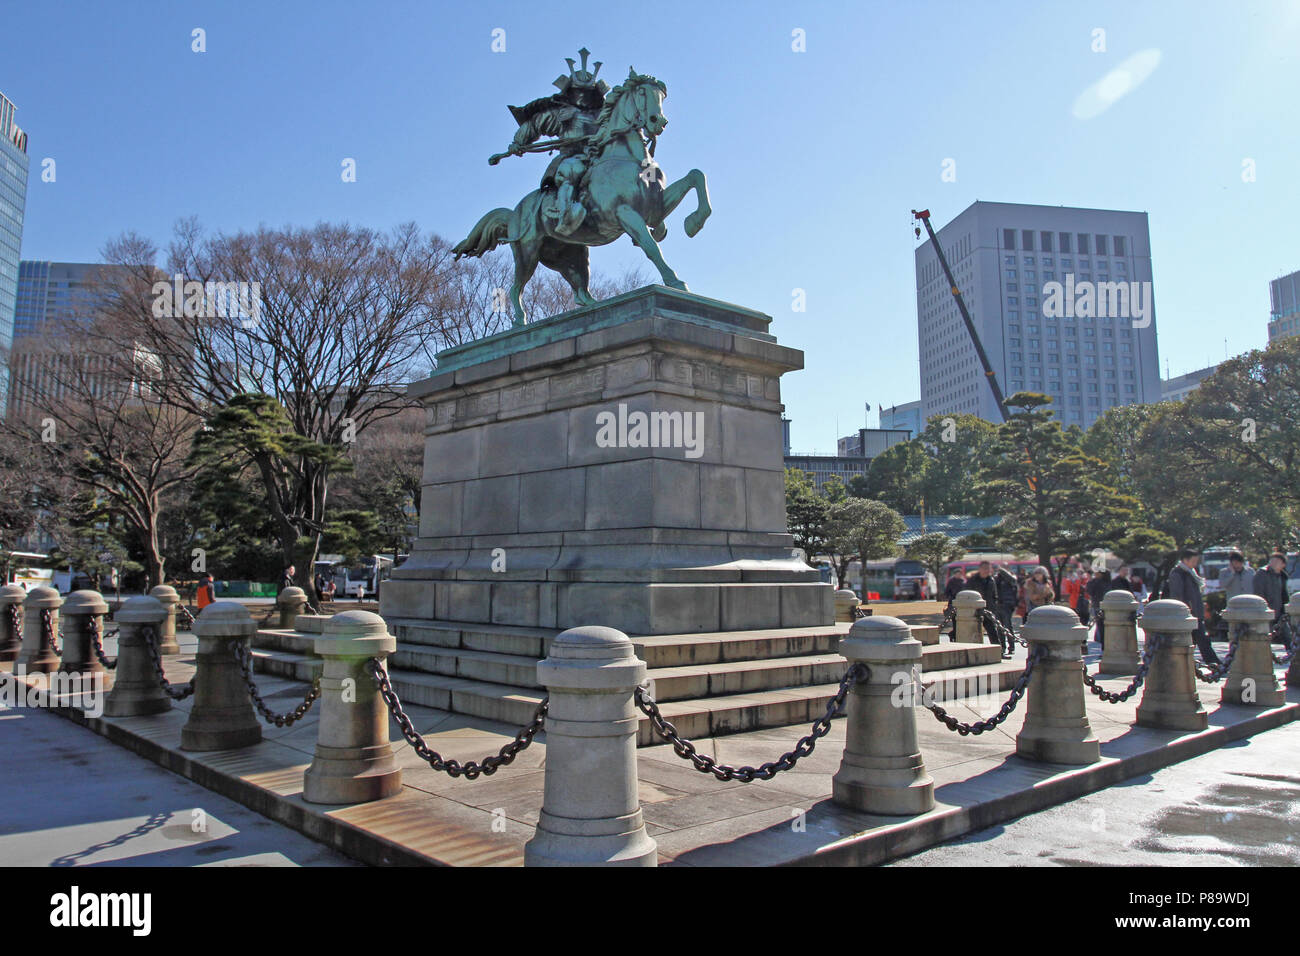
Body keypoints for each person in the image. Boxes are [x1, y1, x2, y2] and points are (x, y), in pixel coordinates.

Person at [1167, 548, 1218, 666]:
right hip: (1188, 613)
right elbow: (1177, 595)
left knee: (1195, 640)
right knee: (1201, 639)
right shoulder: (1178, 573)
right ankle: (1213, 661)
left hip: (1196, 612)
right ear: (1185, 560)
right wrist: (1184, 610)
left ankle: (1186, 662)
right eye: (1194, 560)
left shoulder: (1190, 573)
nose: (1196, 563)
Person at [1251, 552, 1289, 640]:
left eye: (1277, 561)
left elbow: (1284, 595)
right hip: (1265, 611)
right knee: (1265, 637)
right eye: (1272, 560)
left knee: (1288, 636)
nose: (1273, 563)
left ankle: (1292, 653)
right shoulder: (1262, 573)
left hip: (1280, 613)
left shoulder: (1283, 576)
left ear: (1283, 564)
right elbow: (1258, 593)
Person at [993, 563, 1020, 658]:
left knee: (1008, 626)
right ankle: (1002, 647)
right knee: (999, 627)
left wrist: (1001, 570)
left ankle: (1011, 646)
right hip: (998, 605)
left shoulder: (1011, 577)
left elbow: (1012, 580)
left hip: (1007, 605)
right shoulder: (996, 578)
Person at [1086, 569, 1111, 645]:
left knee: (1101, 628)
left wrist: (1090, 581)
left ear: (1100, 574)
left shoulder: (1095, 582)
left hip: (1098, 606)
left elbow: (1090, 591)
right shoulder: (1109, 582)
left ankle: (1103, 647)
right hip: (1108, 606)